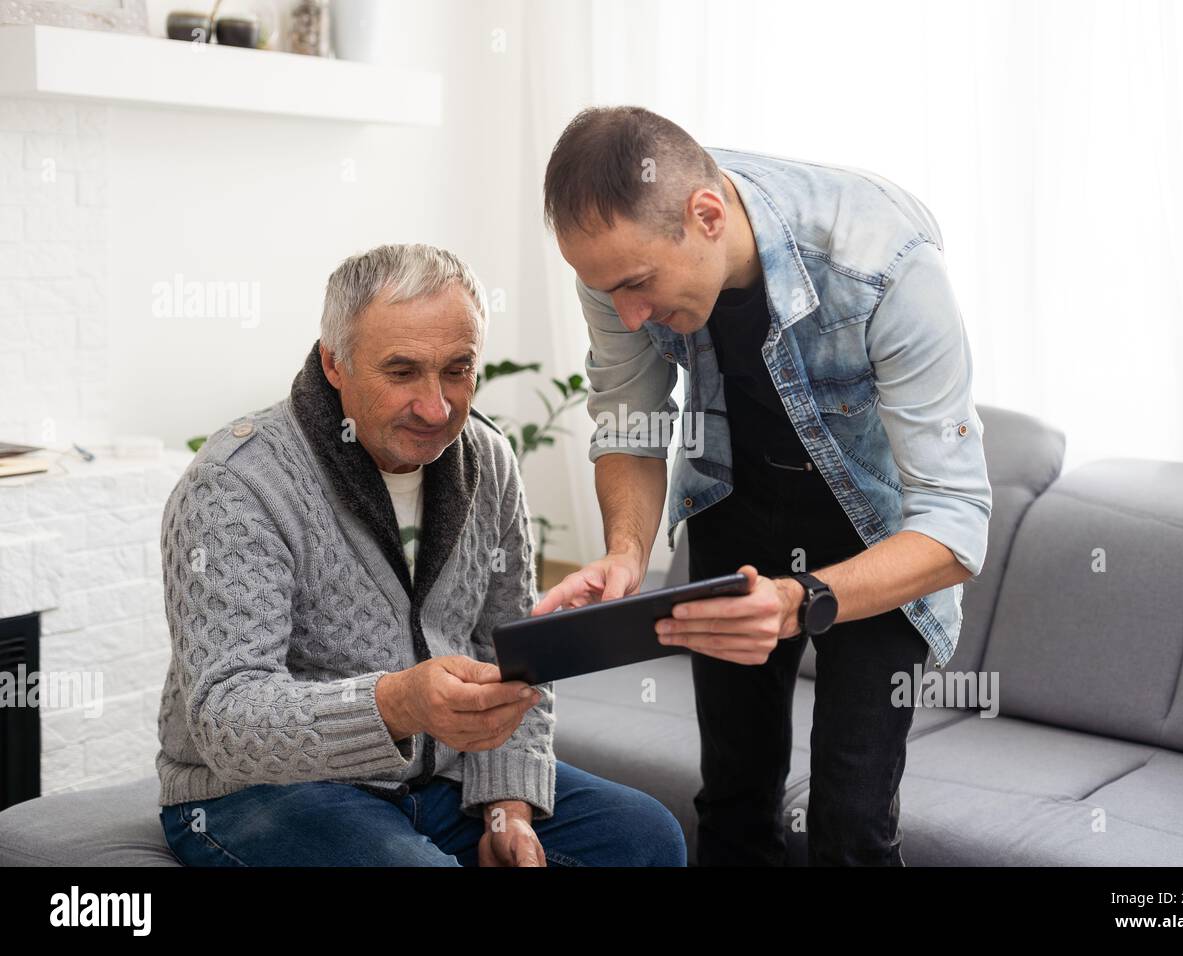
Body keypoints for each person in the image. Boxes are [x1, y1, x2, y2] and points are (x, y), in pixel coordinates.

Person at [536, 107, 992, 865]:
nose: (627, 313)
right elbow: (631, 418)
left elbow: (956, 524)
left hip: (881, 535)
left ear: (707, 215)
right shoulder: (623, 254)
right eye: (606, 290)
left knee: (850, 825)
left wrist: (799, 598)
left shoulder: (885, 263)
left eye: (640, 286)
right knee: (733, 806)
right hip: (736, 504)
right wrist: (625, 551)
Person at [154, 242, 686, 867]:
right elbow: (227, 717)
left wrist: (508, 805)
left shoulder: (488, 461)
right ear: (335, 364)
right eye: (402, 372)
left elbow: (506, 655)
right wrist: (397, 705)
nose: (436, 407)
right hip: (262, 794)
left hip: (441, 785)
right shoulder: (238, 484)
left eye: (458, 369)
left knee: (647, 837)